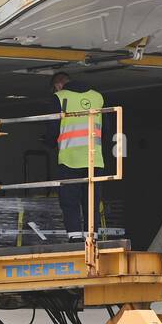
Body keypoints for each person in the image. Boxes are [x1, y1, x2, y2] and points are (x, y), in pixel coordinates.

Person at [45, 72, 110, 238]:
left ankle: (74, 237)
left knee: (70, 201)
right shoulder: (97, 97)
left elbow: (53, 129)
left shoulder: (59, 98)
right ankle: (92, 237)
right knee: (91, 200)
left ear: (58, 85)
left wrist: (48, 142)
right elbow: (107, 128)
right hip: (94, 159)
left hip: (70, 159)